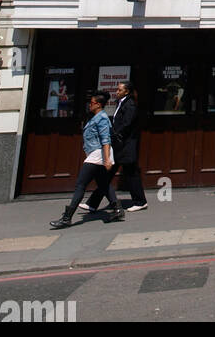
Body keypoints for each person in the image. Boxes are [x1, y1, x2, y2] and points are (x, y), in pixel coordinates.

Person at [49, 93, 125, 228]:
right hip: (96, 154)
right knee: (103, 183)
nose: (89, 105)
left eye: (92, 103)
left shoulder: (101, 118)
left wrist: (107, 159)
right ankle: (118, 210)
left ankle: (67, 218)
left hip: (98, 155)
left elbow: (106, 140)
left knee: (81, 185)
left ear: (98, 104)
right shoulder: (95, 117)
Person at [82, 79, 147, 213]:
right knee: (108, 173)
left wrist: (113, 135)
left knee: (128, 173)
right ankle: (93, 203)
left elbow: (126, 124)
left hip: (125, 146)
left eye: (119, 90)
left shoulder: (130, 105)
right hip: (120, 146)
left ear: (126, 92)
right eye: (117, 89)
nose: (116, 92)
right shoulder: (121, 103)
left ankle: (140, 201)